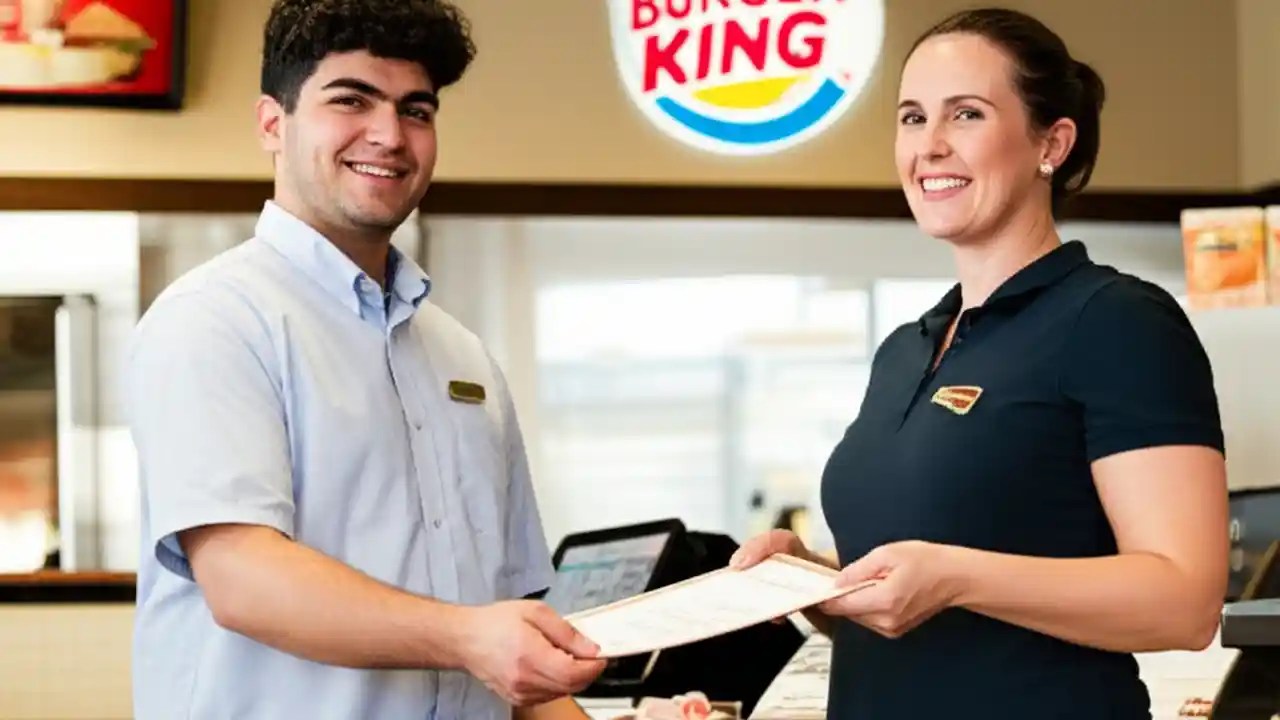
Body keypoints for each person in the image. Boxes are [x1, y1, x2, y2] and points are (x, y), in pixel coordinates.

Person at [731, 8, 1228, 720]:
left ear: (1051, 143)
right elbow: (917, 617)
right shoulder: (905, 348)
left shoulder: (1116, 320)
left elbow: (1184, 604)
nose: (928, 145)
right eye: (911, 118)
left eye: (965, 114)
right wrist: (813, 585)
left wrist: (954, 575)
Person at [126, 1, 606, 718]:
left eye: (417, 110)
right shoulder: (215, 318)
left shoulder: (461, 356)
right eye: (351, 100)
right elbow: (242, 578)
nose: (389, 136)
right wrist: (470, 636)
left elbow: (510, 634)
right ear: (272, 122)